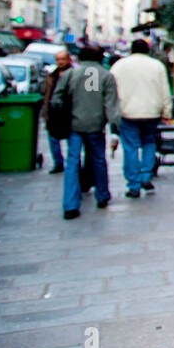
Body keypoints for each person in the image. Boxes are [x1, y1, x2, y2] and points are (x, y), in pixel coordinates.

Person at [52, 45, 119, 219]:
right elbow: (111, 106)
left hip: (75, 124)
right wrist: (114, 129)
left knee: (72, 162)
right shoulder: (107, 75)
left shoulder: (70, 74)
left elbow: (56, 98)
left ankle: (70, 204)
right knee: (98, 159)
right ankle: (102, 194)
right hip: (96, 125)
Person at [110, 39, 172, 198]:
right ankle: (146, 176)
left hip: (127, 112)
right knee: (149, 142)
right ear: (147, 50)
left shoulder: (119, 66)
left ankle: (133, 184)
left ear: (131, 50)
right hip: (151, 112)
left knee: (130, 148)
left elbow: (112, 91)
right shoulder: (157, 66)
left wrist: (111, 113)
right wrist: (167, 112)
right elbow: (165, 90)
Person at [40, 49, 74, 174]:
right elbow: (47, 95)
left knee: (72, 139)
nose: (60, 62)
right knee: (53, 139)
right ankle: (58, 162)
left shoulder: (74, 74)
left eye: (62, 59)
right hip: (54, 112)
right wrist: (45, 112)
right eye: (58, 60)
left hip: (69, 112)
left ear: (68, 60)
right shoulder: (52, 76)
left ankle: (73, 161)